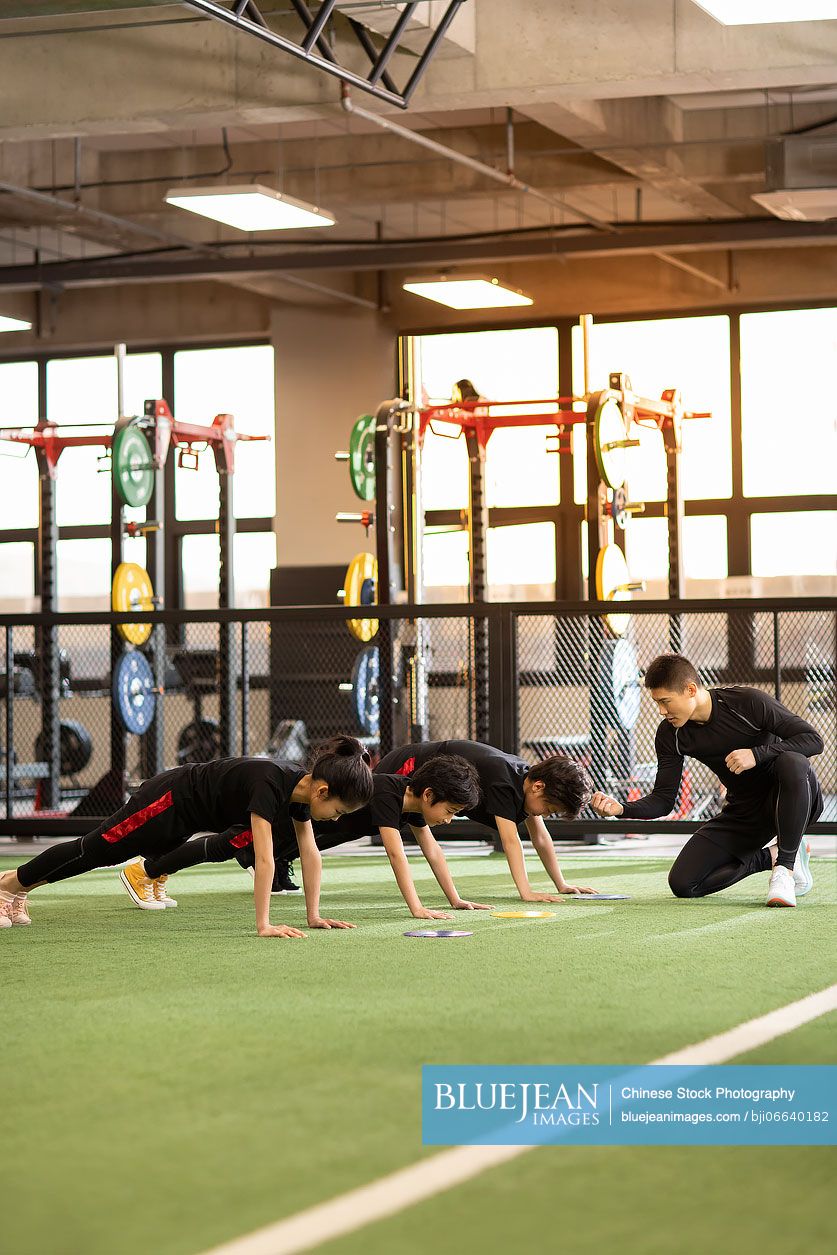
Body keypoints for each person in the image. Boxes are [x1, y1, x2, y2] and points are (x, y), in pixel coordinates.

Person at [0, 737, 373, 938]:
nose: (336, 819)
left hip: (185, 820)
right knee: (95, 850)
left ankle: (18, 890)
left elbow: (310, 852)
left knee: (104, 854)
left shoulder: (300, 794)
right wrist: (264, 925)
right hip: (167, 800)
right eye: (339, 811)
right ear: (322, 791)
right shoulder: (272, 783)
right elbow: (264, 859)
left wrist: (313, 916)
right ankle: (10, 885)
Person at [589, 653, 823, 908]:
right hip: (746, 813)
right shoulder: (670, 734)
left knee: (792, 761)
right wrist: (621, 809)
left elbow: (812, 740)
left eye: (665, 701)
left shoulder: (747, 702)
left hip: (793, 799)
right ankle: (772, 857)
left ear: (690, 690)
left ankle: (785, 869)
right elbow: (664, 800)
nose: (662, 711)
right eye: (657, 703)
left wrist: (757, 754)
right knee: (683, 883)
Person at [234, 754, 490, 920]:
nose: (449, 819)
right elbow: (395, 854)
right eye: (450, 811)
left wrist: (455, 899)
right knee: (225, 846)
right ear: (428, 795)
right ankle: (249, 854)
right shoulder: (390, 793)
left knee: (299, 847)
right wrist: (417, 908)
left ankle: (269, 860)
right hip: (293, 818)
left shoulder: (414, 805)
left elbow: (432, 851)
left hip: (327, 829)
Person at [376, 740, 594, 901]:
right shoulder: (505, 782)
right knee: (361, 811)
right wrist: (526, 891)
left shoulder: (527, 785)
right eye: (549, 809)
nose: (545, 814)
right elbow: (510, 841)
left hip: (428, 778)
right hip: (407, 765)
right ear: (538, 787)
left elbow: (541, 837)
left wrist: (561, 883)